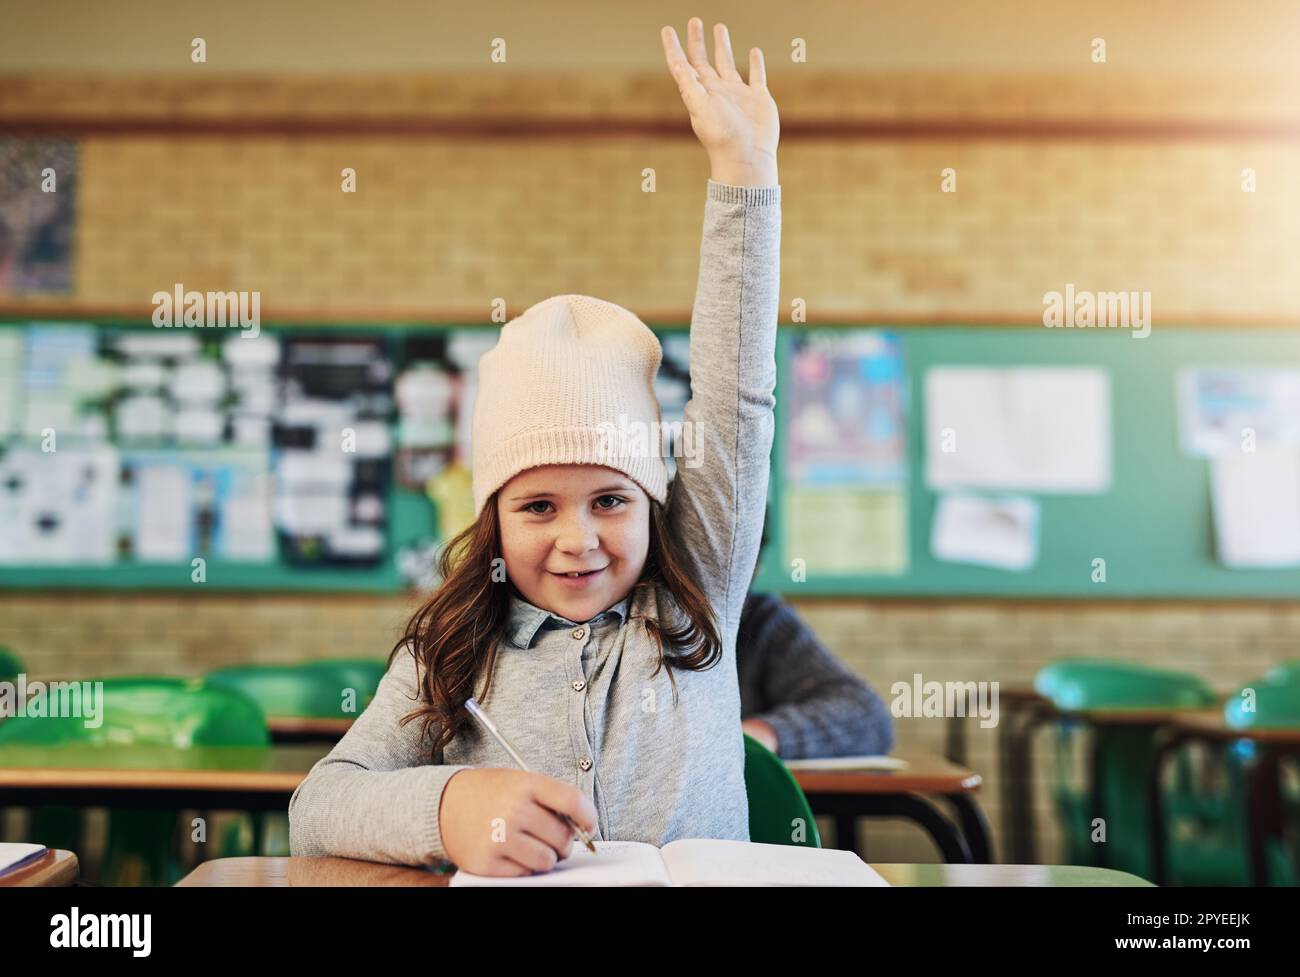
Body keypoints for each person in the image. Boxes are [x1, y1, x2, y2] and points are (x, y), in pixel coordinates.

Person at [290, 18, 782, 877]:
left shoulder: (697, 584)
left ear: (655, 503)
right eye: (537, 505)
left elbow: (736, 391)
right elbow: (318, 806)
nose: (578, 537)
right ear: (493, 518)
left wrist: (743, 176)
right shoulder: (448, 649)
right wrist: (446, 806)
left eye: (611, 499)